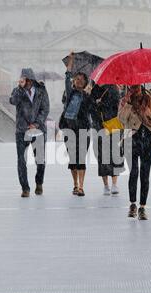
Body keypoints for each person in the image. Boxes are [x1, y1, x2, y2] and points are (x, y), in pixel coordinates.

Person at [118, 85, 151, 220]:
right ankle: (133, 204)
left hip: (147, 139)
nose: (135, 89)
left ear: (141, 86)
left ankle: (143, 207)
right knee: (133, 172)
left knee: (145, 174)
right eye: (133, 87)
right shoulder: (124, 100)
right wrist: (128, 105)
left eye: (137, 87)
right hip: (130, 139)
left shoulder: (149, 99)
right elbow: (121, 119)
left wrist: (149, 115)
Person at [10, 68, 50, 198]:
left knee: (40, 160)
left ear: (30, 79)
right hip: (22, 130)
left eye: (25, 79)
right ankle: (25, 188)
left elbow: (45, 108)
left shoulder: (41, 90)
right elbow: (12, 101)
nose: (24, 81)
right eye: (22, 79)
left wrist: (37, 123)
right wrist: (19, 88)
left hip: (38, 130)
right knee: (21, 160)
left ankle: (39, 182)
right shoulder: (18, 91)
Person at [59, 53, 93, 197]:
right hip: (69, 128)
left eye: (81, 80)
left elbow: (91, 111)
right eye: (77, 79)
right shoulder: (70, 93)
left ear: (85, 82)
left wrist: (91, 96)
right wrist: (70, 66)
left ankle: (81, 187)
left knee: (81, 157)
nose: (78, 81)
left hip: (83, 128)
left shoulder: (87, 96)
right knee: (73, 158)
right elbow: (67, 79)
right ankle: (75, 184)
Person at [89, 83, 124, 196]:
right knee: (102, 156)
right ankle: (106, 185)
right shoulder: (94, 90)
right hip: (99, 127)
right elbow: (90, 108)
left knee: (115, 155)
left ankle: (114, 184)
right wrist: (95, 104)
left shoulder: (114, 89)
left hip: (113, 125)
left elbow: (116, 107)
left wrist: (102, 104)